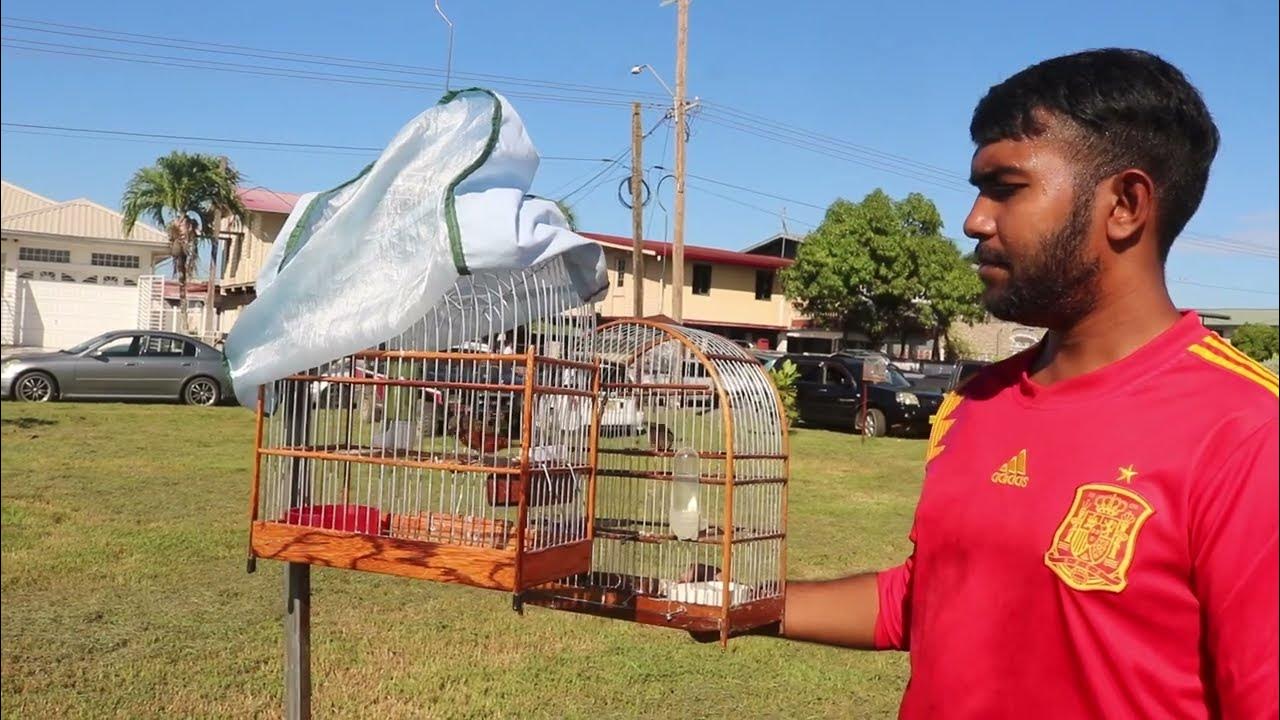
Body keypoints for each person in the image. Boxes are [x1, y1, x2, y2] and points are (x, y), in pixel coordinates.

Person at [727, 49, 1279, 719]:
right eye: (978, 189)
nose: (975, 220)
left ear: (1127, 204)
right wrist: (739, 603)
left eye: (1007, 188)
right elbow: (927, 599)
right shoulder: (972, 402)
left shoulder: (1249, 433)